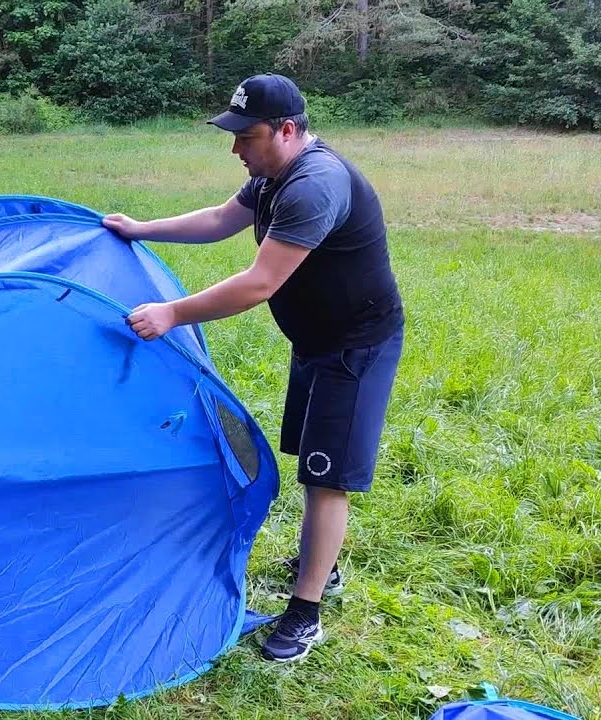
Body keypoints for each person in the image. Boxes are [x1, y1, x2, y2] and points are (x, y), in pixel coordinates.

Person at [102, 73, 404, 664]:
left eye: (246, 135)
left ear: (287, 131)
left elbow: (259, 284)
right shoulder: (272, 176)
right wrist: (142, 228)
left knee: (326, 477)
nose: (235, 148)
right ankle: (327, 564)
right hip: (316, 340)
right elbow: (219, 221)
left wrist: (172, 313)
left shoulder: (314, 185)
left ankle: (307, 612)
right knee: (309, 456)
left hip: (356, 346)